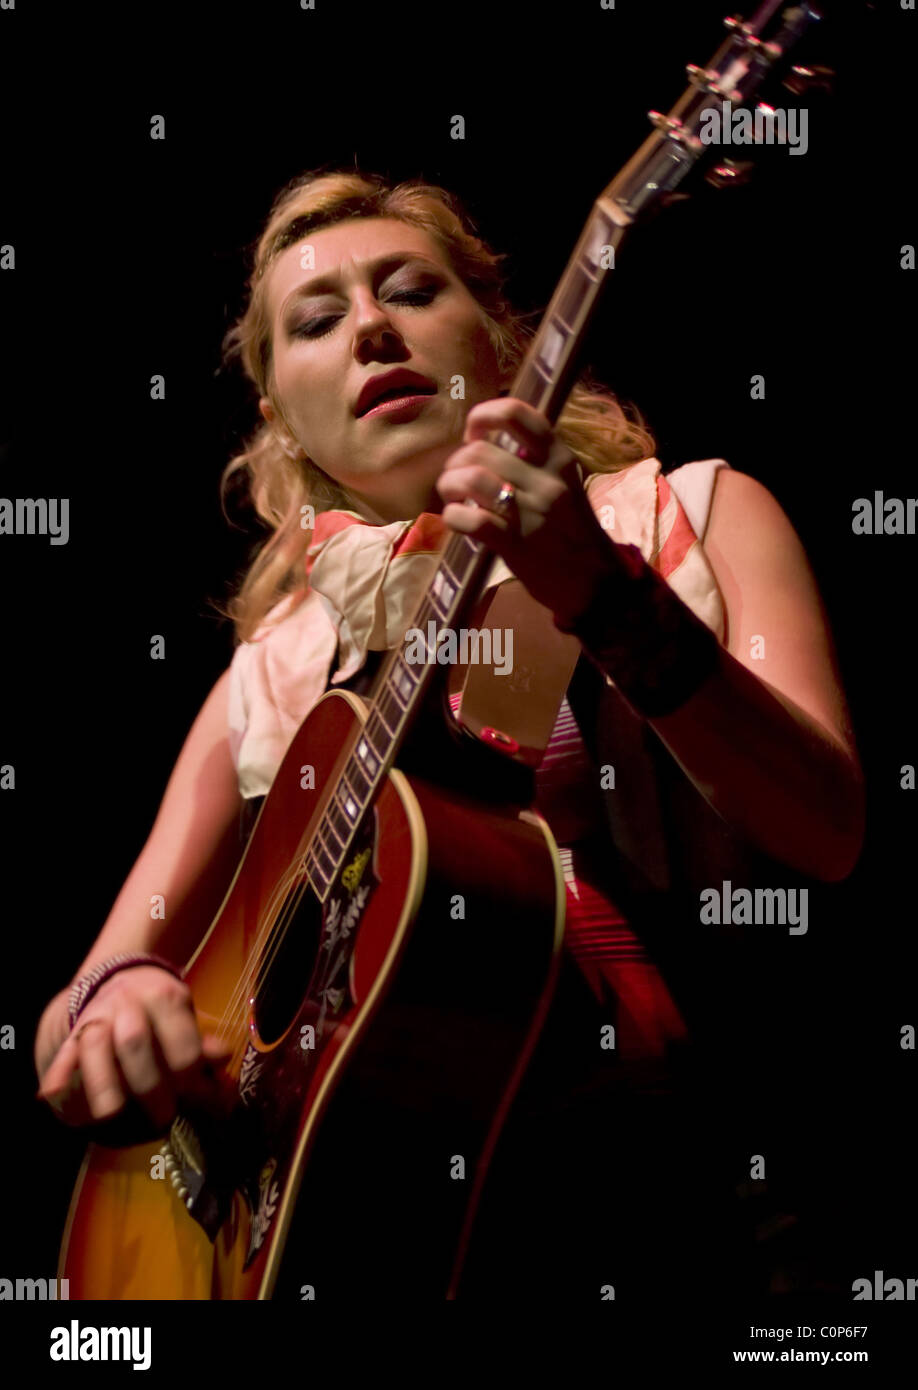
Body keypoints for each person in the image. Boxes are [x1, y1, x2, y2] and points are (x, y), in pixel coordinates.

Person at [34, 170, 865, 1299]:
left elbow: (827, 830)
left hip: (698, 1214)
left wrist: (609, 600)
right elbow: (73, 1010)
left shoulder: (699, 513)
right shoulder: (272, 672)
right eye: (317, 323)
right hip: (375, 1241)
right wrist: (115, 1002)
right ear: (279, 411)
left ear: (502, 334)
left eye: (413, 291)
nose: (372, 327)